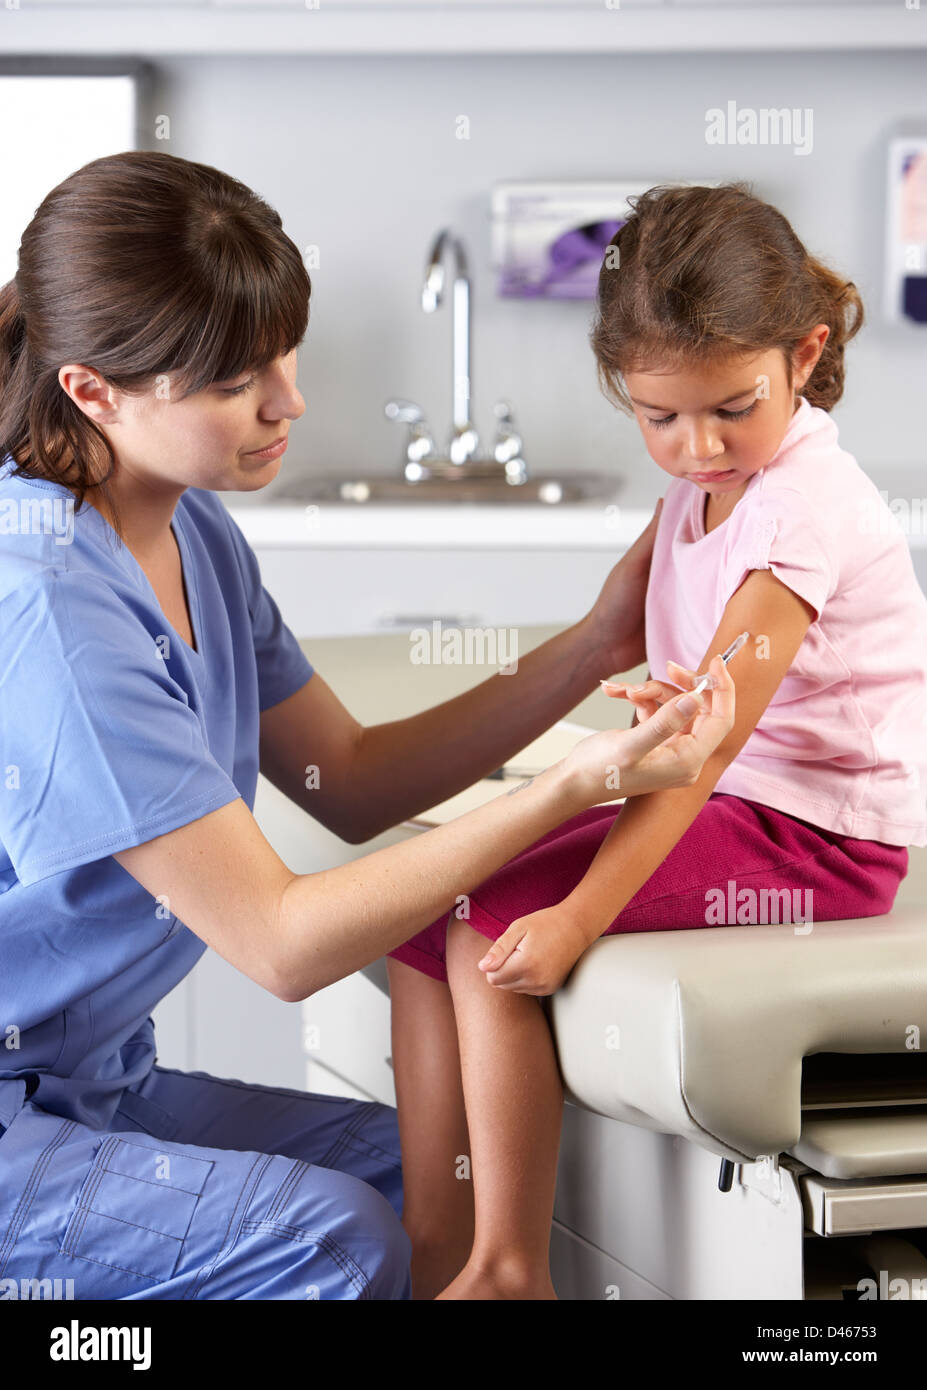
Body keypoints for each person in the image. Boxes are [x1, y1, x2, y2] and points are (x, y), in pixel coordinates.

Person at [0, 151, 734, 1302]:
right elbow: (282, 943)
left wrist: (594, 646)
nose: (289, 399)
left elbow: (345, 776)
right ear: (96, 391)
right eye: (239, 380)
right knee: (337, 1240)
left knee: (438, 1185)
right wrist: (568, 788)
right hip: (15, 1138)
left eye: (284, 352)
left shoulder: (192, 534)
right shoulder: (44, 599)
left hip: (93, 1087)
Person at [386, 181, 927, 1300]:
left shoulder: (796, 507)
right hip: (738, 799)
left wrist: (577, 915)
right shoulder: (708, 485)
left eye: (731, 407)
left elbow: (707, 754)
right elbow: (656, 658)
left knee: (487, 928)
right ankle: (434, 1240)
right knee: (418, 921)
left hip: (813, 835)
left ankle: (504, 1270)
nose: (695, 446)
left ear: (804, 351)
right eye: (660, 416)